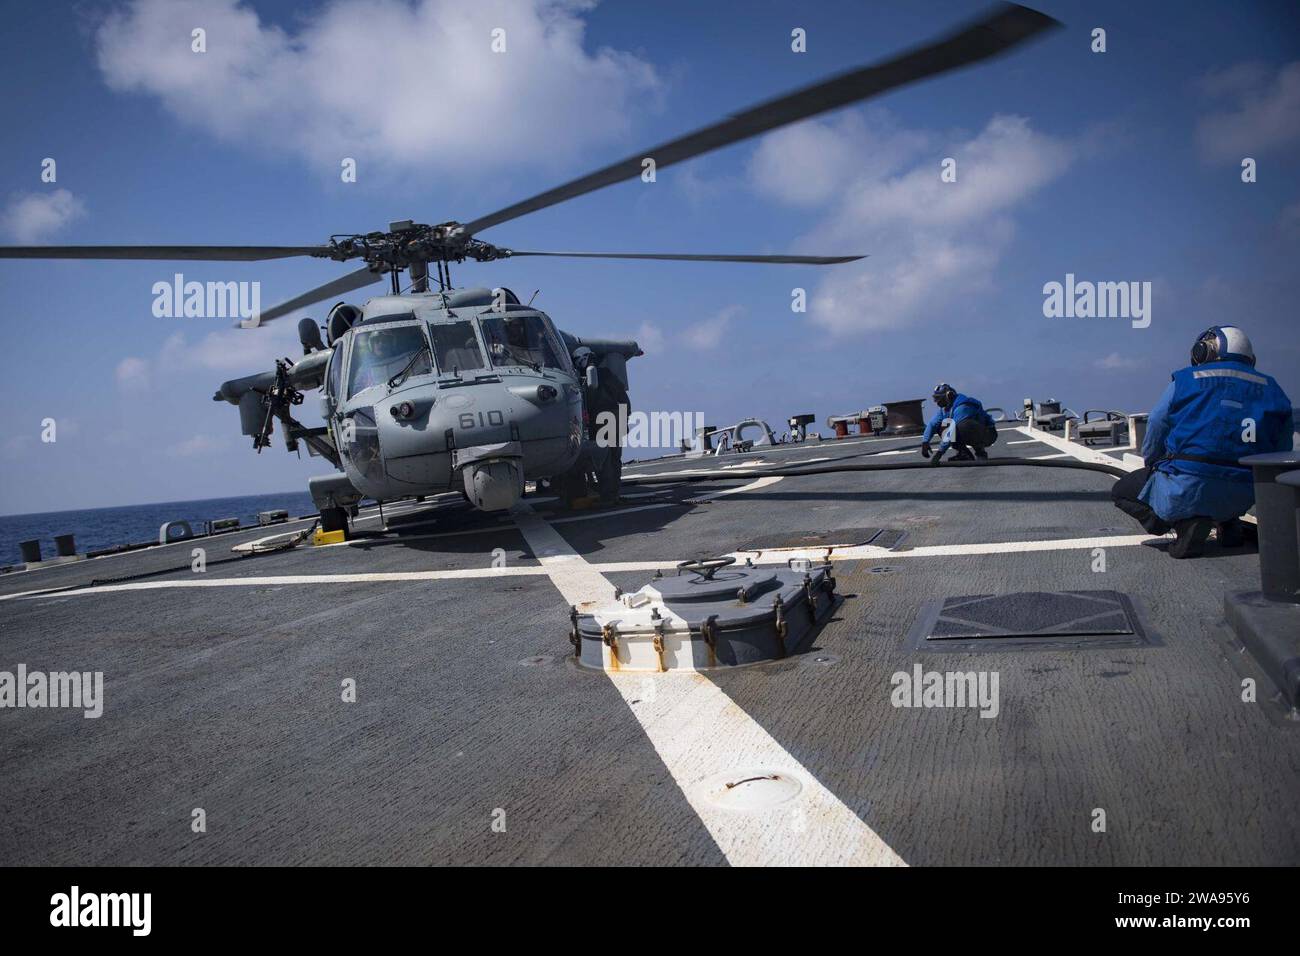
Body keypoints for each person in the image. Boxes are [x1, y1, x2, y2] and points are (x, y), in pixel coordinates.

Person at [1110, 326, 1294, 558]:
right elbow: (1282, 451)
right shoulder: (1274, 390)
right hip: (1244, 494)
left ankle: (1185, 525)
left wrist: (1153, 464)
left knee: (1122, 492)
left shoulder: (1186, 380)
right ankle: (1229, 524)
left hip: (1187, 487)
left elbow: (1157, 423)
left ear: (1203, 351)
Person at [920, 383, 998, 464]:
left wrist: (939, 453)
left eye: (939, 398)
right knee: (942, 425)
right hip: (974, 431)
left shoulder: (963, 407)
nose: (937, 402)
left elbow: (951, 430)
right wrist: (925, 442)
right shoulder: (945, 408)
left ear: (948, 396)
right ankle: (964, 454)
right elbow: (932, 424)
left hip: (988, 434)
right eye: (936, 398)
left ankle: (980, 452)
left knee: (964, 426)